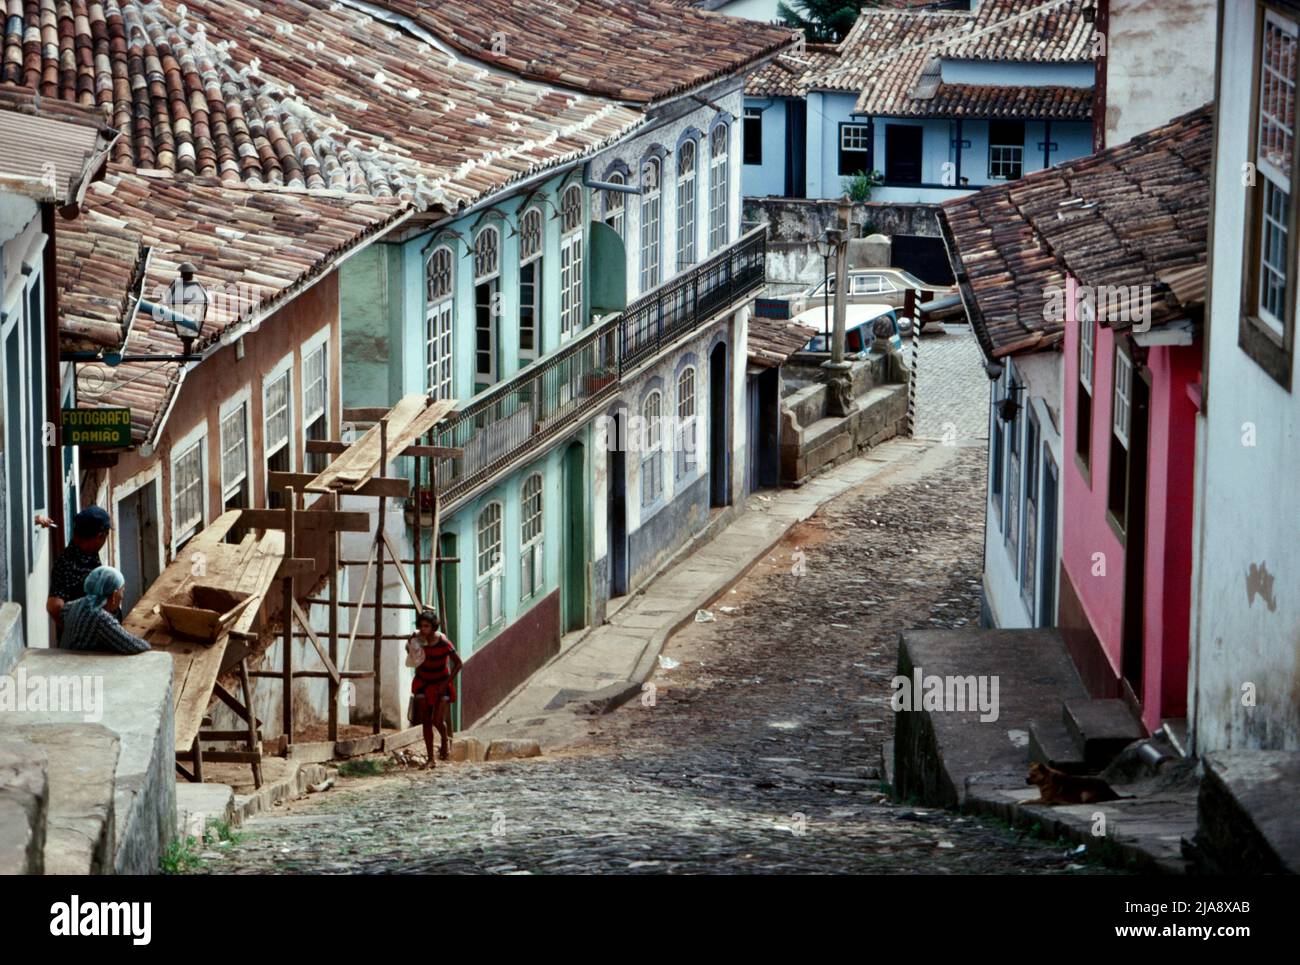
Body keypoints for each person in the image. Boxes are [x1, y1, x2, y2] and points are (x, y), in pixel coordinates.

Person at [47, 506, 117, 635]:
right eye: (106, 535)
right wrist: (79, 631)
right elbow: (54, 606)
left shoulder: (89, 553)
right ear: (99, 536)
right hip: (81, 645)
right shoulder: (66, 563)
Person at [410, 609, 462, 768]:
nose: (423, 629)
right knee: (426, 720)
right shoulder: (417, 640)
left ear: (433, 627)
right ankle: (430, 758)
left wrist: (445, 684)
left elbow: (458, 663)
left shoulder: (443, 643)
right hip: (423, 681)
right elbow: (411, 659)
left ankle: (444, 740)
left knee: (437, 720)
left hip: (441, 682)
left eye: (426, 626)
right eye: (421, 626)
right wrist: (412, 645)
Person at [60, 566, 150, 655]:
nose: (122, 595)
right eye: (122, 590)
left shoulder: (72, 605)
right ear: (114, 595)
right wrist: (147, 644)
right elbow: (133, 646)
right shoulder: (101, 618)